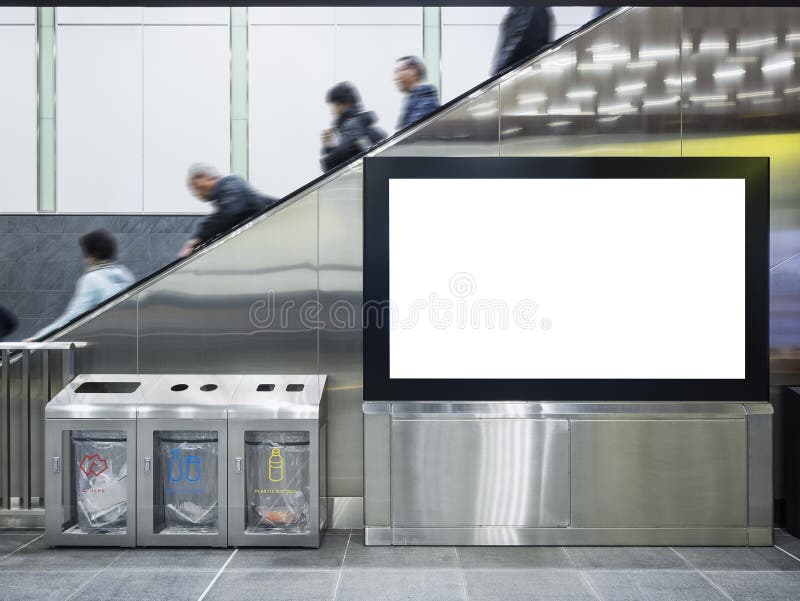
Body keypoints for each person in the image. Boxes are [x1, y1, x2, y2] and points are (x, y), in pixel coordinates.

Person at [27, 230, 134, 341]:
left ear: (92, 255)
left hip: (103, 341)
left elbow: (73, 316)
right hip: (128, 339)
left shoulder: (92, 278)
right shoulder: (125, 273)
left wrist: (40, 337)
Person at [180, 164, 279, 258]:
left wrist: (198, 237)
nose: (197, 195)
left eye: (196, 188)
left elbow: (230, 211)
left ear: (204, 177)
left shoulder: (231, 182)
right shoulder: (224, 195)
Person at [320, 82, 386, 172]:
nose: (332, 111)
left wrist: (326, 161)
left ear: (344, 104)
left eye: (333, 105)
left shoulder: (353, 125)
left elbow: (341, 154)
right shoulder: (363, 124)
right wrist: (328, 144)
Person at [492, 7, 554, 75]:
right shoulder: (530, 9)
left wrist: (500, 69)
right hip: (523, 66)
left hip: (518, 67)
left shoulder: (531, 9)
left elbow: (517, 40)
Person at [394, 55, 440, 130]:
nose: (396, 78)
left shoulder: (426, 99)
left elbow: (413, 133)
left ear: (413, 70)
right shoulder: (412, 100)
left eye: (399, 71)